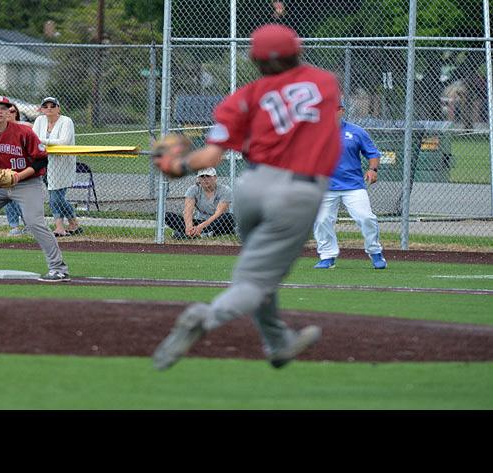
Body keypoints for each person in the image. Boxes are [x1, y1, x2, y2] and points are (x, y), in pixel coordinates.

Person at [151, 24, 341, 370]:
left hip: (252, 187)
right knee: (256, 280)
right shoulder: (324, 82)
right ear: (296, 51)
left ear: (255, 60)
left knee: (260, 273)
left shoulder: (242, 98)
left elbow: (210, 156)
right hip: (297, 191)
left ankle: (278, 343)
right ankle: (206, 317)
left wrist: (177, 165)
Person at [0, 95, 70, 282]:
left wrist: (18, 176)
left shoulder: (24, 132)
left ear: (9, 112)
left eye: (4, 108)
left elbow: (41, 160)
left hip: (26, 183)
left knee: (35, 223)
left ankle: (58, 269)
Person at [313, 103, 386, 269]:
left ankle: (375, 252)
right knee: (321, 220)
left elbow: (373, 153)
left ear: (341, 111)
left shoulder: (356, 132)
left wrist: (373, 169)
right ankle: (327, 256)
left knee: (366, 218)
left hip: (353, 186)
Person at [32, 96, 82, 237]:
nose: (49, 108)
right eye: (45, 106)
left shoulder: (66, 121)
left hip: (62, 164)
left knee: (56, 197)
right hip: (43, 162)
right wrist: (44, 142)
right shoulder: (39, 120)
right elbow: (32, 138)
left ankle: (60, 227)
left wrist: (41, 141)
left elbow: (64, 141)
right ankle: (73, 224)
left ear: (58, 108)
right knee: (54, 195)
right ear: (41, 109)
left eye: (52, 106)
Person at [164, 167, 237, 239]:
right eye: (202, 177)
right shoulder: (193, 189)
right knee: (168, 216)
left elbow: (218, 214)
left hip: (218, 222)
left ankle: (186, 234)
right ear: (198, 179)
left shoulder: (225, 190)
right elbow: (188, 211)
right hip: (200, 221)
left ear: (215, 177)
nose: (205, 179)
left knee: (228, 217)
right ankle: (200, 233)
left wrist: (201, 227)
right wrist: (189, 226)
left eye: (208, 176)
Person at [4, 103, 29, 236]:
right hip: (7, 167)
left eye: (12, 111)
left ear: (17, 113)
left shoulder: (25, 126)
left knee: (24, 198)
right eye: (6, 110)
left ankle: (29, 224)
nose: (9, 113)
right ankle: (14, 226)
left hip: (24, 168)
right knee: (9, 198)